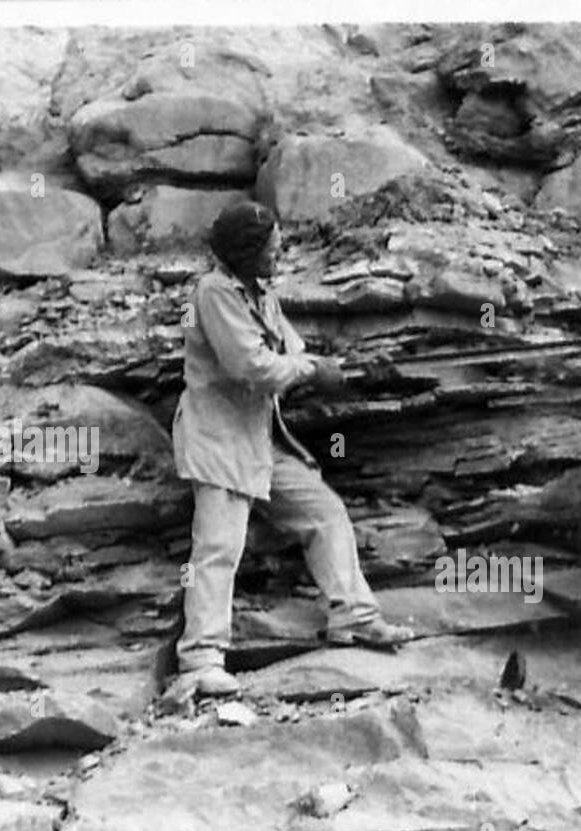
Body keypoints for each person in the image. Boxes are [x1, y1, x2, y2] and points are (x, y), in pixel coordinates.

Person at [170, 200, 414, 698]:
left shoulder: (261, 294)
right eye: (270, 248)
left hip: (260, 441)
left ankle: (354, 618)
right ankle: (200, 662)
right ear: (244, 251)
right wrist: (310, 372)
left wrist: (356, 368)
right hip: (218, 444)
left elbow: (293, 352)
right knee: (217, 550)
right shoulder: (213, 293)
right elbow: (251, 367)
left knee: (324, 512)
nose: (279, 255)